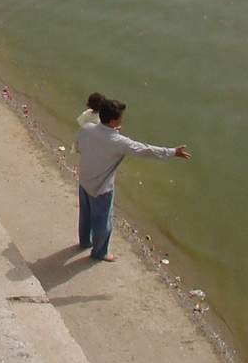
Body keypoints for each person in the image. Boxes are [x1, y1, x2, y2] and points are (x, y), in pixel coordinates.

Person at [75, 94, 191, 263]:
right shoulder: (119, 141)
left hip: (84, 180)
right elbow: (145, 150)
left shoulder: (87, 128)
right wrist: (173, 152)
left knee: (85, 215)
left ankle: (85, 241)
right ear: (114, 121)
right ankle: (99, 253)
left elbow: (78, 146)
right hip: (101, 189)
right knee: (103, 222)